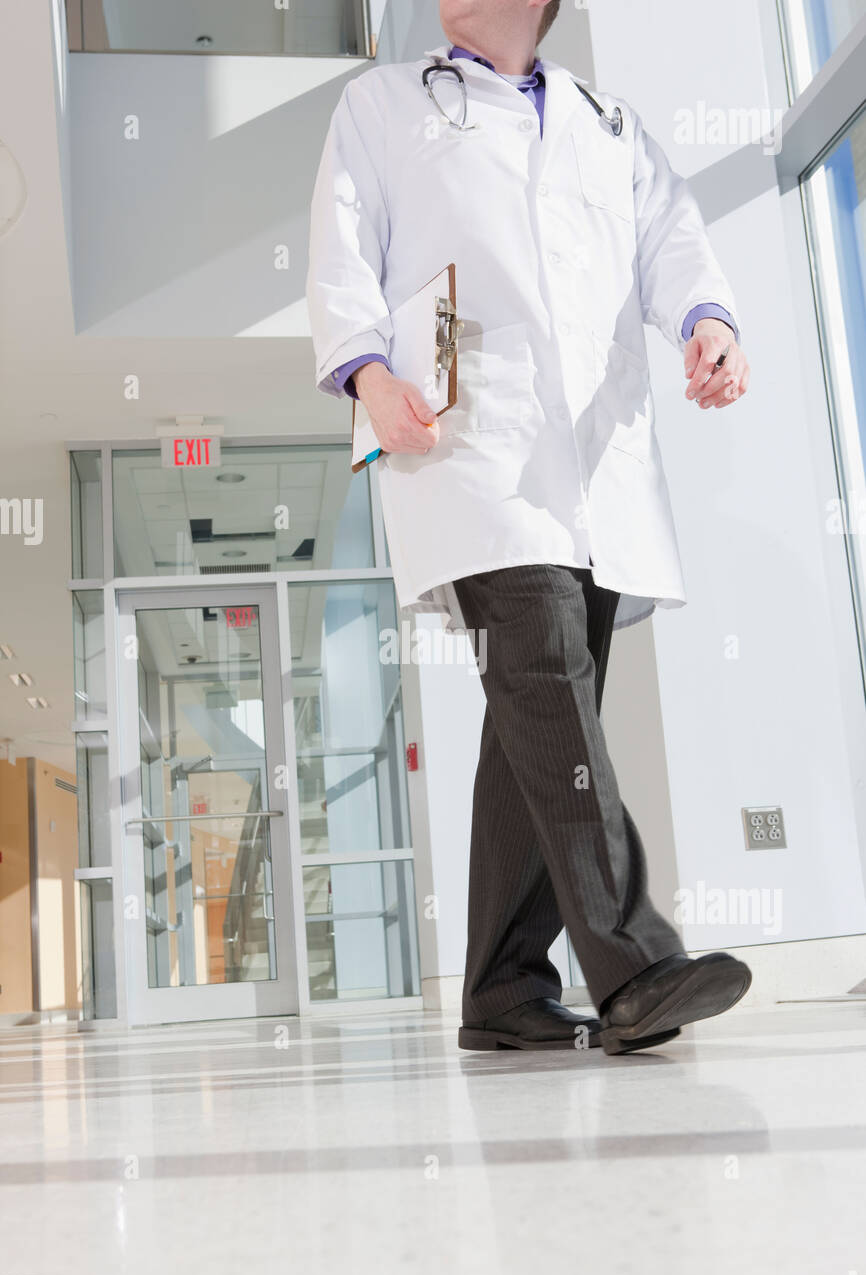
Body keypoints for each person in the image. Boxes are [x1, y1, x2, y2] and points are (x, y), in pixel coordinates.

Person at [306, 0, 753, 1055]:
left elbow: (672, 244)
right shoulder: (382, 104)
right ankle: (633, 961)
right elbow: (338, 249)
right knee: (548, 679)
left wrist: (710, 323)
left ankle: (502, 988)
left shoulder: (608, 126)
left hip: (593, 465)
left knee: (533, 728)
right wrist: (367, 377)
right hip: (471, 455)